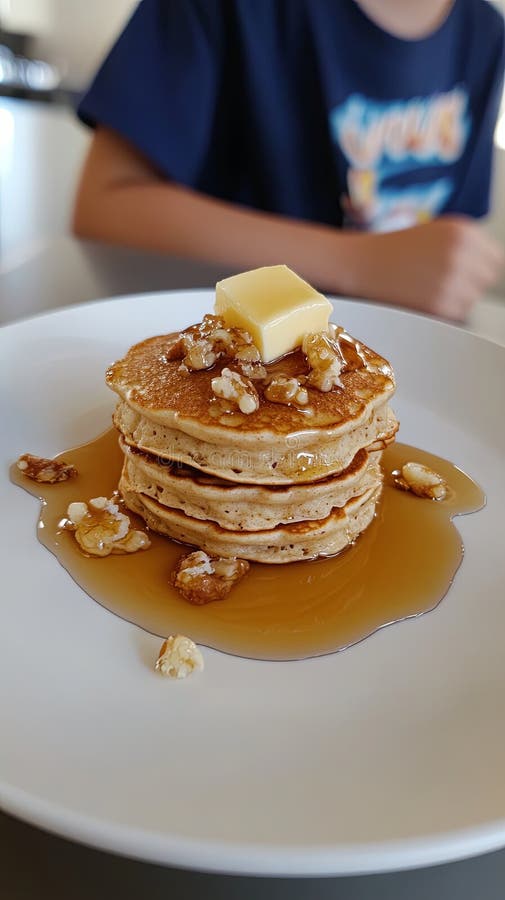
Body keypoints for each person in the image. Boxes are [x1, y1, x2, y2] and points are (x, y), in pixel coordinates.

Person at [73, 0, 505, 320]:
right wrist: (358, 263)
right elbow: (105, 206)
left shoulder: (486, 35)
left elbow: (447, 250)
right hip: (209, 346)